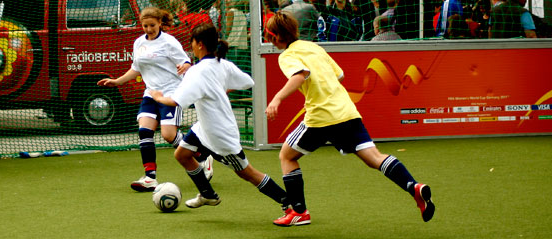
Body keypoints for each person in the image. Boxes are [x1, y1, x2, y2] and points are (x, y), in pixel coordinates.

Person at [263, 11, 435, 226]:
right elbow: (340, 75)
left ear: (276, 37)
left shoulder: (287, 56)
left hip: (321, 116)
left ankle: (299, 212)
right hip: (346, 111)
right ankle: (413, 186)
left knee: (287, 156)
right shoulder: (313, 47)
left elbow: (300, 75)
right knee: (374, 157)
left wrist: (277, 99)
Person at [148, 23, 290, 222]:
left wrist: (157, 96)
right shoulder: (222, 64)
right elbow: (247, 81)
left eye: (192, 42)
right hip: (204, 127)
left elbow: (176, 101)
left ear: (199, 44)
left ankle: (288, 203)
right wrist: (220, 90)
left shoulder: (197, 71)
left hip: (219, 133)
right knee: (182, 154)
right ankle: (208, 194)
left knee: (248, 173)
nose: (191, 46)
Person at [96, 7, 212, 192]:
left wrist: (185, 66)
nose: (149, 29)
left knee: (168, 135)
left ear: (159, 23)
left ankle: (202, 156)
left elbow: (186, 61)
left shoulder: (169, 42)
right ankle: (150, 177)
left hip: (171, 94)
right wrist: (117, 81)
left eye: (152, 25)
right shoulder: (139, 43)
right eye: (145, 26)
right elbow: (136, 68)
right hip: (150, 94)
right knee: (144, 131)